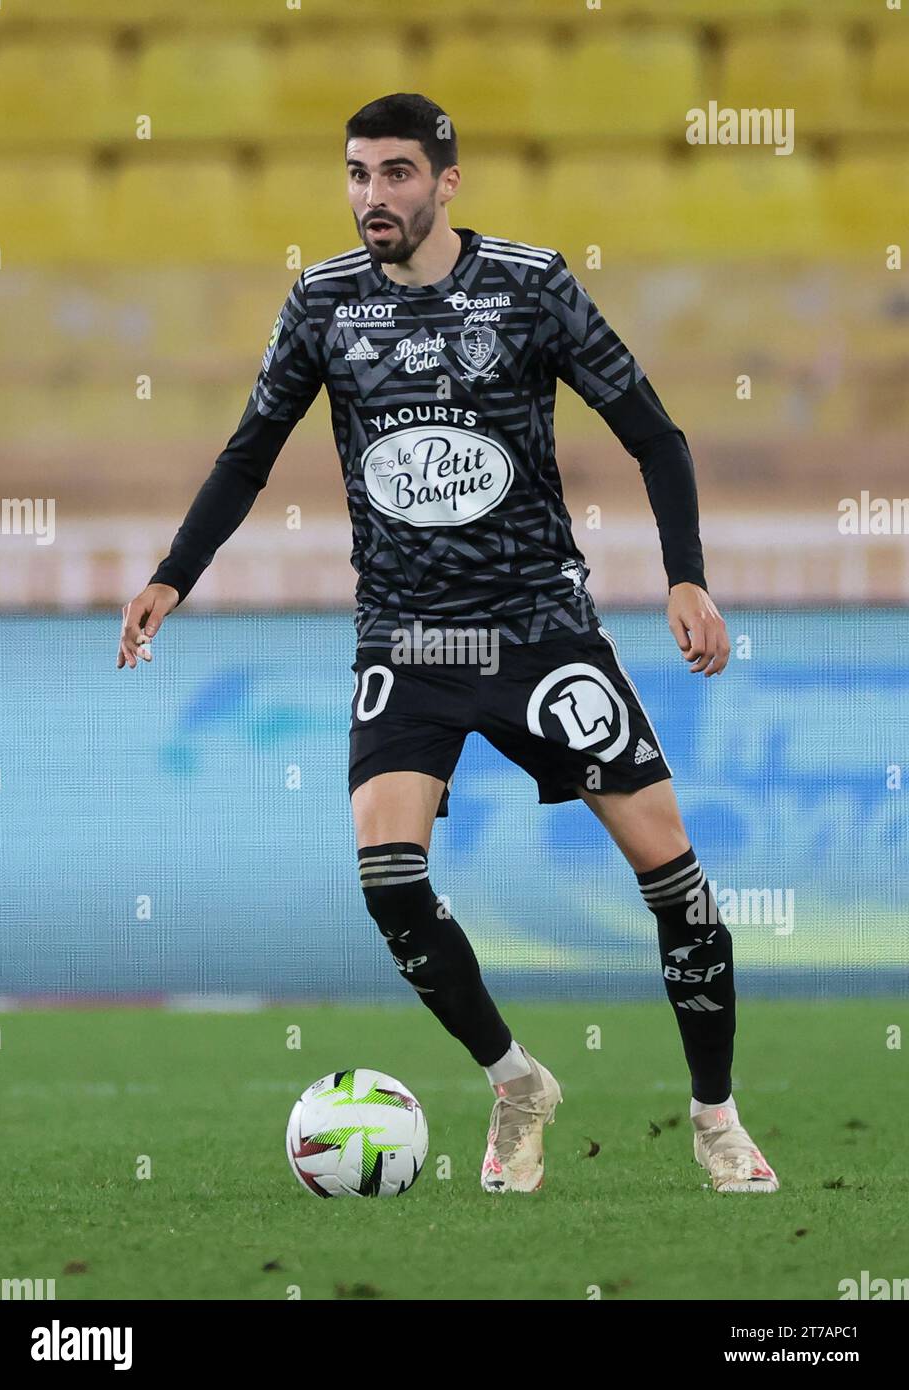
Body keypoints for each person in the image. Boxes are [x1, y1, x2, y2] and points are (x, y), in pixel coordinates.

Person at [118, 92, 778, 1196]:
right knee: (387, 880)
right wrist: (171, 574)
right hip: (405, 641)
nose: (373, 196)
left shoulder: (530, 287)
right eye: (357, 175)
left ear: (446, 181)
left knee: (675, 880)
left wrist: (685, 575)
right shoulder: (324, 303)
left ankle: (714, 1114)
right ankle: (515, 1079)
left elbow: (652, 431)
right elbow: (249, 454)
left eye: (395, 174)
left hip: (541, 633)